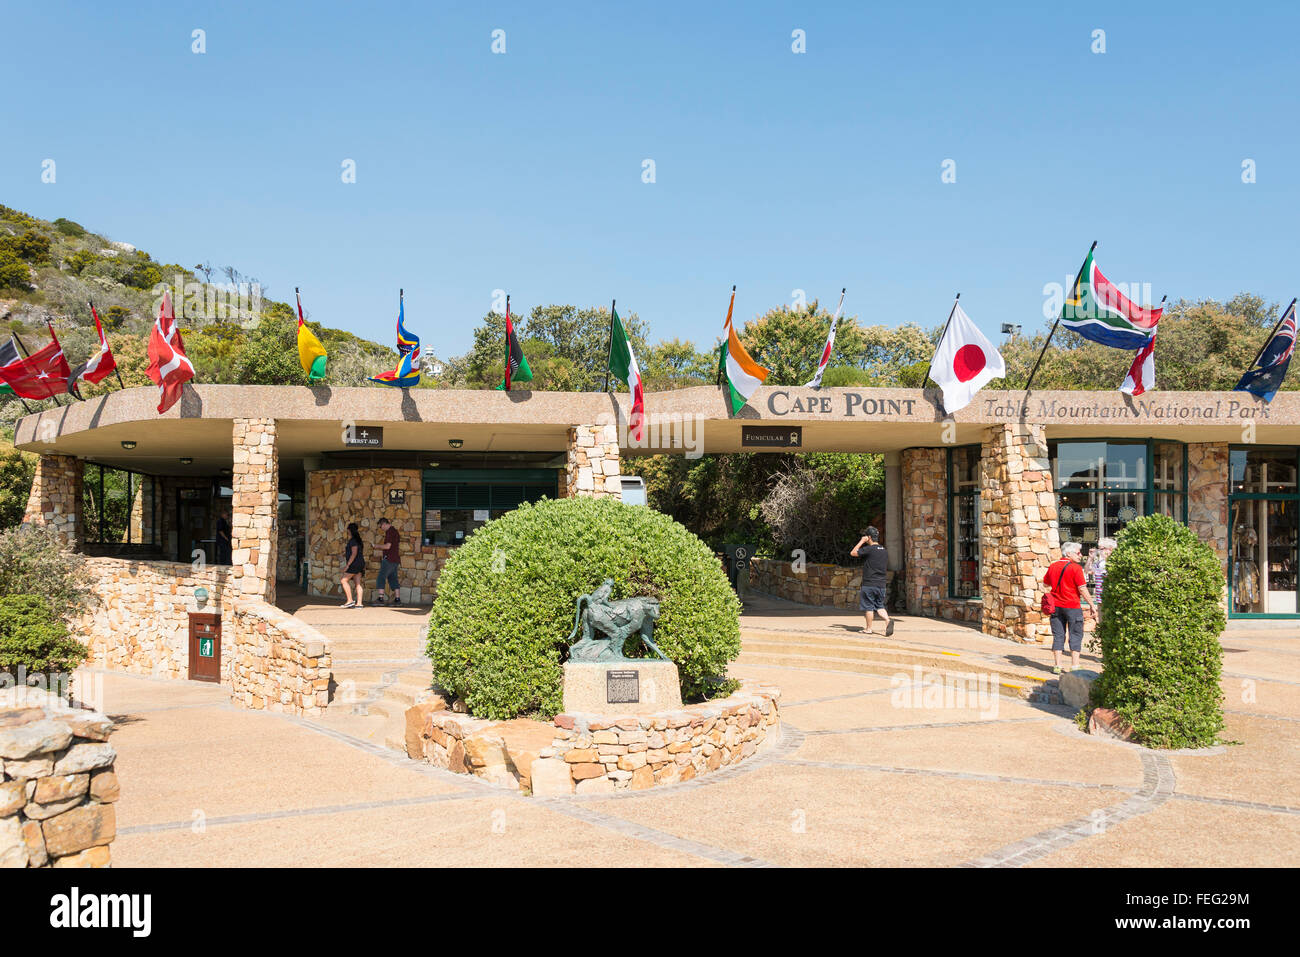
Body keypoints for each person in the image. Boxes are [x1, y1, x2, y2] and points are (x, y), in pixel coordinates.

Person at [1044, 541, 1095, 674]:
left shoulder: (1053, 566)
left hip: (1056, 606)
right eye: (1078, 552)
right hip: (1072, 605)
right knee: (1076, 633)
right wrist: (1091, 604)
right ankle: (1075, 665)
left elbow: (1045, 584)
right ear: (1068, 553)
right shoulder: (1075, 568)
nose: (1080, 555)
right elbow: (1082, 589)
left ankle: (1057, 665)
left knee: (1058, 634)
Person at [850, 526, 893, 636]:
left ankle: (868, 629)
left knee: (868, 607)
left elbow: (853, 553)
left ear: (869, 537)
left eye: (866, 536)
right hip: (881, 584)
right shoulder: (884, 550)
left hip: (869, 584)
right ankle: (888, 620)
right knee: (880, 606)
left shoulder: (869, 549)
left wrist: (861, 541)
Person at [1084, 538, 1116, 621]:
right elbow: (1087, 571)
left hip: (1111, 598)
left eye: (1101, 549)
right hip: (1100, 599)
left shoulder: (1115, 563)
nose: (1099, 551)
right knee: (1102, 622)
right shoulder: (1100, 563)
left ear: (1110, 549)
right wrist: (1090, 558)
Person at [375, 517, 402, 606]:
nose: (381, 529)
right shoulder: (394, 531)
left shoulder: (390, 532)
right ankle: (397, 600)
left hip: (389, 559)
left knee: (381, 577)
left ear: (384, 524)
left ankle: (380, 598)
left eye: (380, 527)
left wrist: (377, 546)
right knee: (393, 578)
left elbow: (387, 546)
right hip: (395, 559)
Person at [341, 522, 365, 608]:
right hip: (359, 564)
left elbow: (354, 554)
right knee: (358, 584)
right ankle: (359, 604)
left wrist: (347, 565)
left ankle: (350, 600)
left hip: (354, 564)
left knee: (343, 580)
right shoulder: (358, 540)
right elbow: (355, 552)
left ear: (349, 530)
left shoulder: (353, 541)